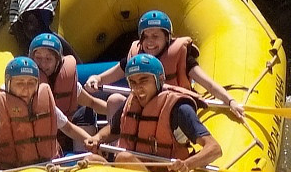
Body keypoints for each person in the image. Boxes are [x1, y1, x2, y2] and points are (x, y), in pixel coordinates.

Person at [87, 9, 245, 122]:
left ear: (167, 38)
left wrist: (230, 101)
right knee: (114, 100)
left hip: (173, 109)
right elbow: (107, 76)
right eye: (146, 36)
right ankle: (115, 150)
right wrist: (96, 79)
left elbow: (208, 84)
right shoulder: (136, 56)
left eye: (156, 36)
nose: (150, 42)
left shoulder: (180, 56)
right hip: (144, 108)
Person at [87, 52, 222, 172]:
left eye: (144, 80)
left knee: (124, 158)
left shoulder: (179, 108)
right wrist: (97, 137)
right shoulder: (131, 102)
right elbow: (113, 130)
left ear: (160, 79)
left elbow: (214, 149)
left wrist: (187, 164)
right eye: (132, 82)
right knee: (91, 160)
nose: (137, 88)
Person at [27, 32, 111, 133]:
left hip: (66, 134)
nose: (43, 64)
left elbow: (92, 103)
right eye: (38, 58)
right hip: (37, 138)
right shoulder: (23, 86)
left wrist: (119, 112)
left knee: (85, 113)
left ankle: (82, 149)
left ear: (57, 62)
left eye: (49, 59)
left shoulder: (67, 83)